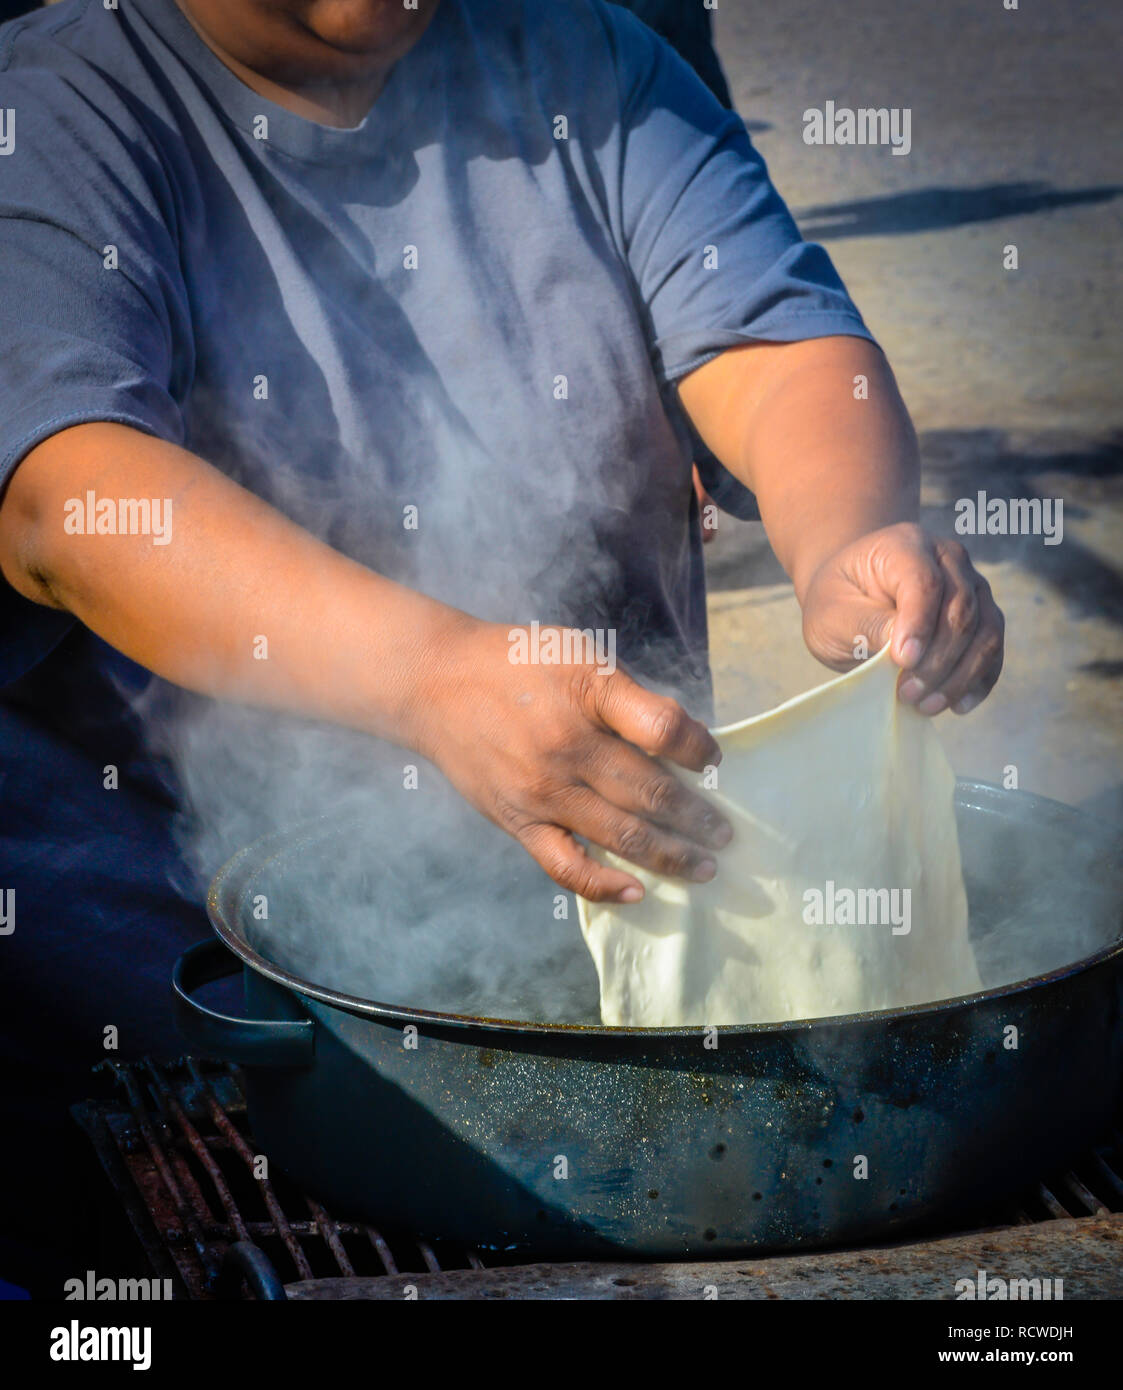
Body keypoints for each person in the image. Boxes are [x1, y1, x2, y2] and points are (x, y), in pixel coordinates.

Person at [0, 0, 1003, 1290]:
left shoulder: (589, 58)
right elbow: (63, 498)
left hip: (602, 908)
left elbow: (779, 344)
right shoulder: (66, 103)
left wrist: (847, 540)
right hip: (195, 997)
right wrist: (434, 679)